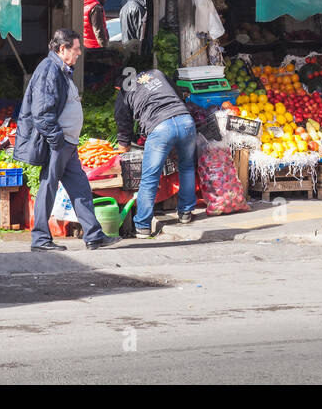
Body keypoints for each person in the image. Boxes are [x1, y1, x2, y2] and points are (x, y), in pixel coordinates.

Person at [14, 29, 119, 252]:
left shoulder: (61, 69)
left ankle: (94, 235)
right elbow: (42, 113)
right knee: (48, 187)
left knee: (80, 187)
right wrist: (57, 140)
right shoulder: (49, 70)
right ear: (63, 49)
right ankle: (41, 239)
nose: (80, 53)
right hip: (58, 144)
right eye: (76, 49)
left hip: (67, 144)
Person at [114, 68, 198, 237]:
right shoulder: (157, 74)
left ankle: (143, 226)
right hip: (185, 121)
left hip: (160, 128)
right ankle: (185, 213)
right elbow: (178, 95)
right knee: (187, 167)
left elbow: (124, 124)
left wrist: (123, 146)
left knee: (150, 176)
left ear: (118, 87)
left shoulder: (125, 91)